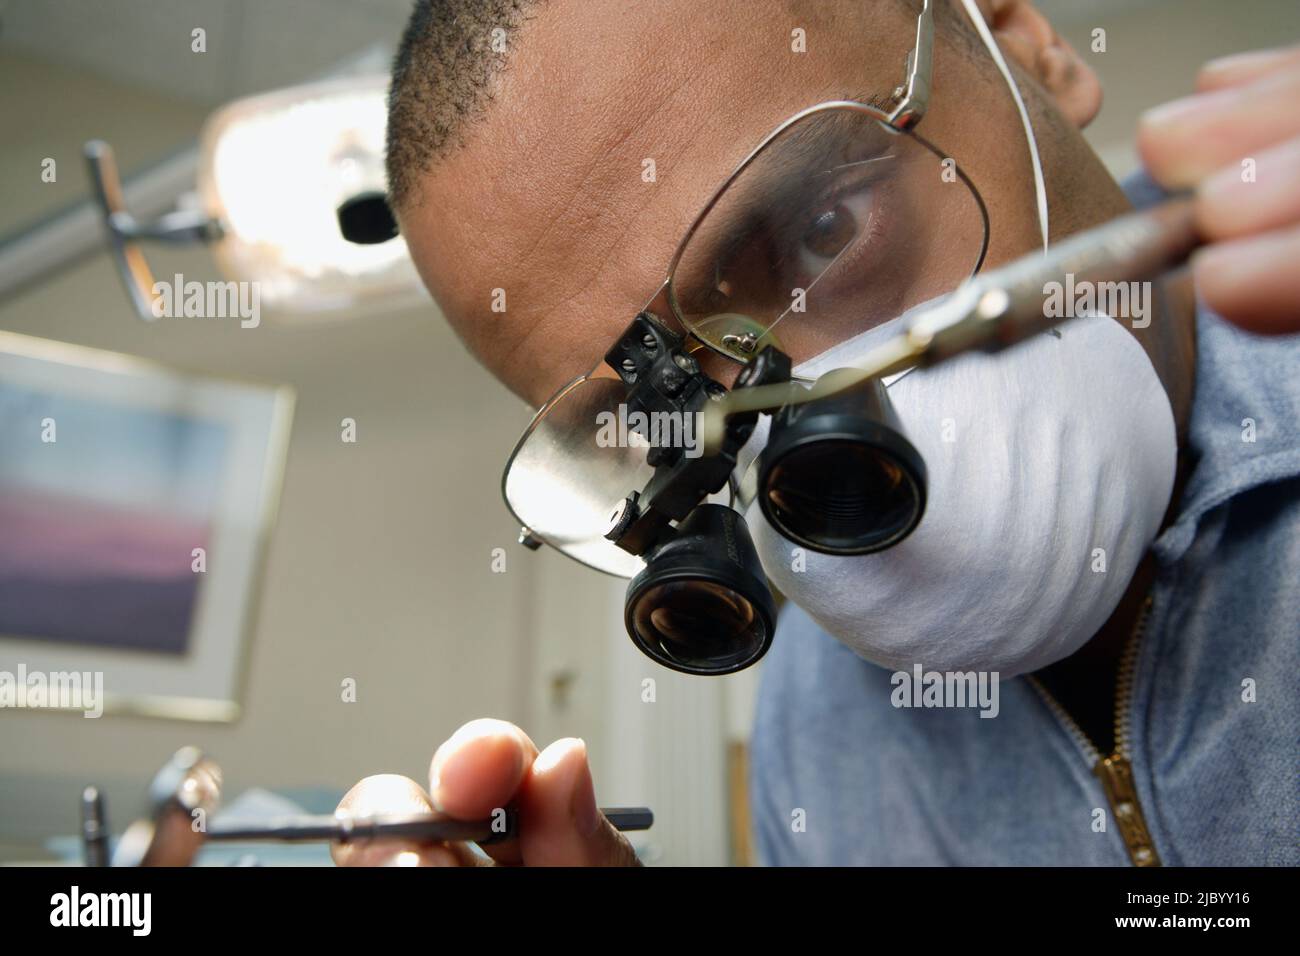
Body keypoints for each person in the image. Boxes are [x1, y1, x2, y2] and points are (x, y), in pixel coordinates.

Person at [333, 0, 1300, 867]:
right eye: (658, 416)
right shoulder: (814, 734)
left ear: (1025, 46)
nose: (782, 435)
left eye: (826, 231)